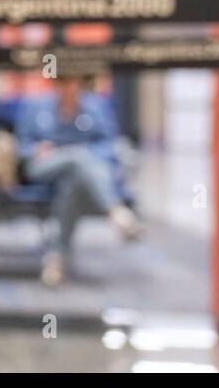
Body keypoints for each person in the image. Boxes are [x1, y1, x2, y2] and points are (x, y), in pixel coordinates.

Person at [16, 75, 142, 287]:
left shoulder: (96, 108)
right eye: (63, 83)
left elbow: (109, 146)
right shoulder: (35, 106)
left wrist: (85, 152)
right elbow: (20, 145)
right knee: (77, 158)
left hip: (80, 175)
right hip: (44, 168)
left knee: (72, 182)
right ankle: (116, 212)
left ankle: (55, 259)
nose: (68, 88)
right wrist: (35, 150)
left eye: (72, 83)